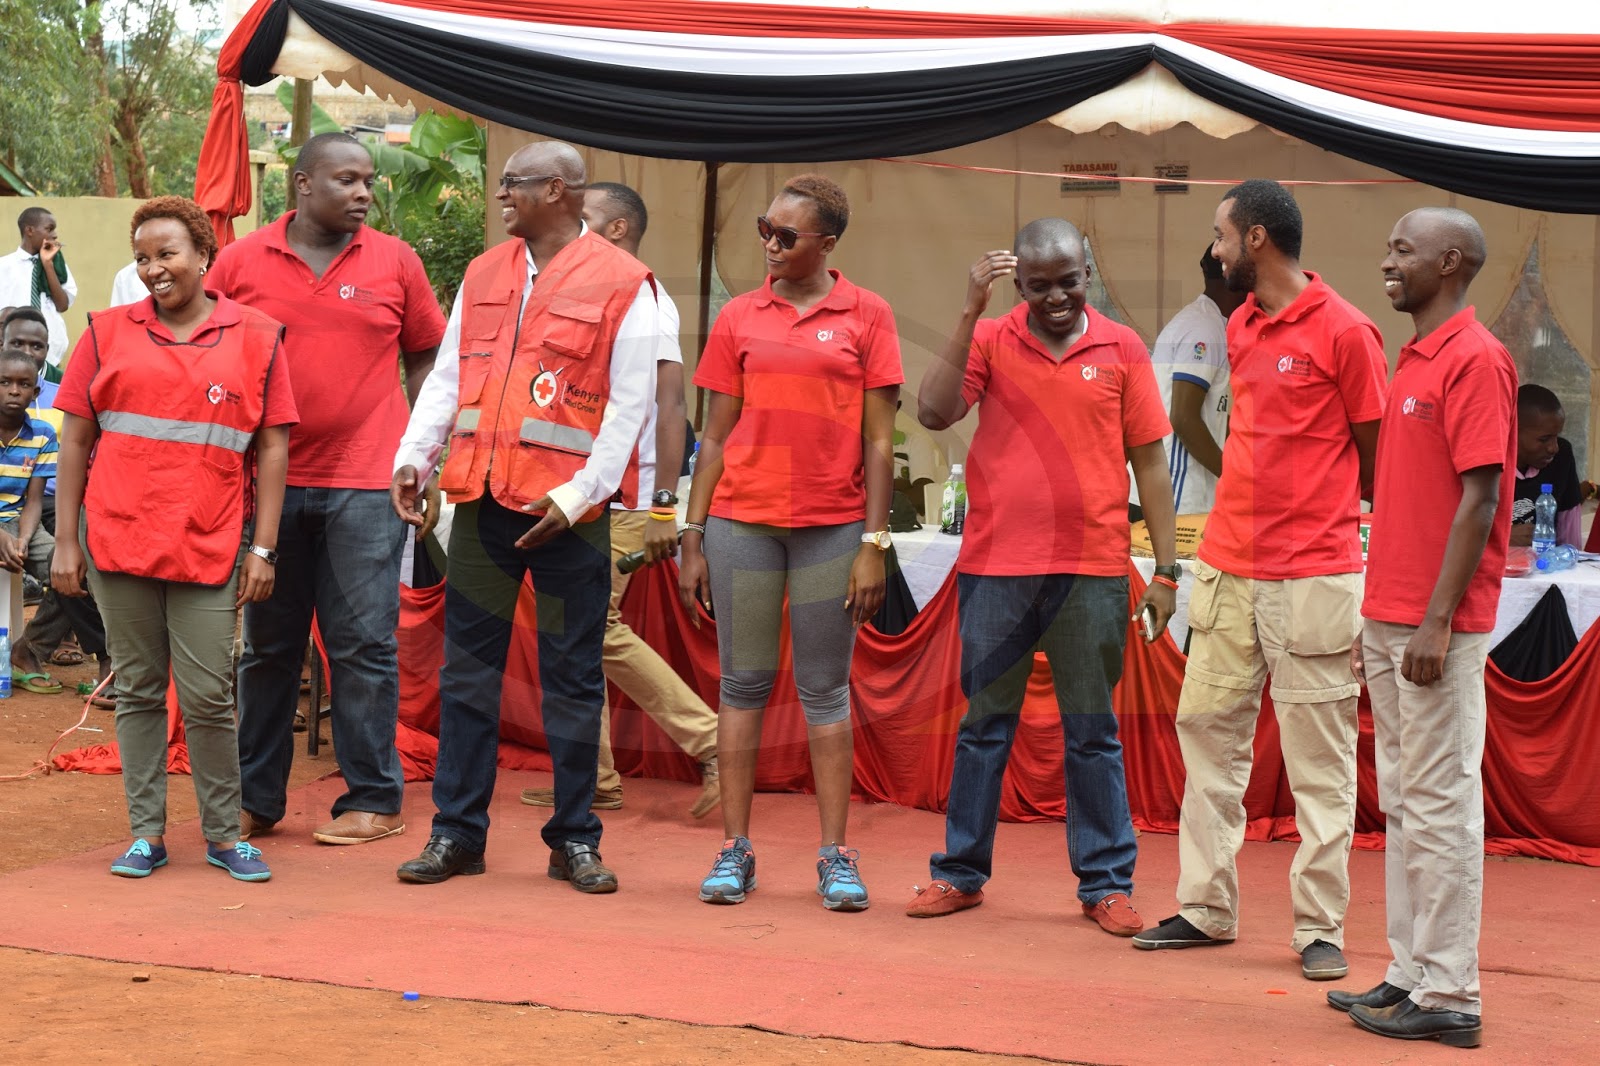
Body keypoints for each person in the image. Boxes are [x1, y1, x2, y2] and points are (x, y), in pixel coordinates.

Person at [1133, 180, 1389, 983]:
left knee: (1320, 766)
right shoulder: (1239, 326)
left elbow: (1378, 457)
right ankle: (1207, 910)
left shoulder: (1347, 331)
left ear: (1254, 241)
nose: (1211, 250)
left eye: (1218, 235)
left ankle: (1320, 927)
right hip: (1227, 571)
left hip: (1312, 576)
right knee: (1208, 743)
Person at [391, 140, 657, 891]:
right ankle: (456, 835)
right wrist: (413, 458)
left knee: (572, 677)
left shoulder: (626, 283)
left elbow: (629, 407)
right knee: (466, 675)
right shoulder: (484, 272)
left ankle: (574, 838)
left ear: (563, 192)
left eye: (515, 184)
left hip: (569, 515)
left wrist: (577, 499)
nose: (500, 194)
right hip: (481, 504)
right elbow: (449, 378)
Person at [905, 220, 1176, 935]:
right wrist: (969, 309)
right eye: (1038, 285)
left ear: (1088, 272)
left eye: (1070, 281)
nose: (1056, 298)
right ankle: (960, 873)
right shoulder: (992, 339)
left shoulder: (1122, 347)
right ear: (1016, 283)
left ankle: (1106, 884)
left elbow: (1150, 461)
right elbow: (934, 411)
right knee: (984, 725)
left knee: (1093, 731)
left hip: (1091, 568)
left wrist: (1169, 570)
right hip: (997, 568)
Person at [51, 195, 296, 883]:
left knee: (211, 693)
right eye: (142, 258)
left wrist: (264, 547)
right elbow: (75, 439)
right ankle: (146, 834)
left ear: (204, 254)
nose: (154, 268)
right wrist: (66, 541)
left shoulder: (257, 335)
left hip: (210, 544)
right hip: (118, 541)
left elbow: (272, 451)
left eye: (167, 253)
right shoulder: (105, 332)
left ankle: (224, 834)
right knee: (137, 689)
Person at [211, 132, 446, 847]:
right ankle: (256, 800)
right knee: (268, 649)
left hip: (367, 482)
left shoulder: (395, 260)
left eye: (368, 181)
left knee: (364, 645)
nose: (364, 193)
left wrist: (422, 457)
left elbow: (426, 360)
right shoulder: (240, 260)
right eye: (346, 179)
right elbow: (210, 352)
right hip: (268, 487)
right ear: (302, 184)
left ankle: (374, 797)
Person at [678, 173, 902, 912]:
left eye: (786, 235)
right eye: (763, 230)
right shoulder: (741, 315)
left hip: (831, 531)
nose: (769, 244)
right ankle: (734, 851)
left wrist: (874, 539)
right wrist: (692, 533)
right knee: (741, 686)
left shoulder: (868, 314)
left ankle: (836, 855)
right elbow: (712, 436)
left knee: (824, 691)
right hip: (743, 525)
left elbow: (879, 441)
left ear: (828, 244)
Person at [1325, 208, 1513, 1049]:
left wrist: (1438, 620)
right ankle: (1412, 970)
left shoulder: (1476, 358)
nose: (1386, 260)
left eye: (1402, 249)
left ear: (1451, 260)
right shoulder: (1415, 357)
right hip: (1392, 613)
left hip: (1436, 624)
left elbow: (1482, 498)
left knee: (1439, 806)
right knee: (1405, 803)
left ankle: (1451, 993)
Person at [517, 181, 720, 819]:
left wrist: (664, 506)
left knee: (592, 629)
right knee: (575, 633)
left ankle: (714, 741)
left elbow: (670, 402)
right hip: (589, 494)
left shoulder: (644, 296)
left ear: (616, 231)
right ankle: (594, 777)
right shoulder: (591, 290)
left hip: (626, 497)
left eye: (586, 218)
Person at [2, 308, 112, 698]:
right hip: (9, 514)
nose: (14, 390)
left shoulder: (52, 408)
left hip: (35, 508)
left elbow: (34, 498)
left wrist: (22, 535)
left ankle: (32, 649)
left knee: (71, 567)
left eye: (37, 346)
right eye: (17, 343)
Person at [1131, 246, 1244, 517]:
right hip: (1174, 492)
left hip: (1174, 490)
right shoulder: (1203, 329)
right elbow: (1183, 418)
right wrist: (1234, 479)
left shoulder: (1210, 323)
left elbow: (1215, 413)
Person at [0, 208, 76, 371]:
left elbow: (62, 305)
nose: (55, 235)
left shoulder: (57, 265)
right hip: (9, 356)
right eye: (49, 228)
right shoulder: (4, 267)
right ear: (29, 230)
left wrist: (48, 264)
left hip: (49, 356)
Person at [1508, 384, 1581, 548]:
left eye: (1556, 436)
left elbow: (1569, 532)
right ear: (1512, 431)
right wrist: (1503, 538)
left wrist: (1568, 559)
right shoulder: (1488, 466)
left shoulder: (1562, 457)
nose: (1553, 448)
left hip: (1547, 567)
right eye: (1544, 439)